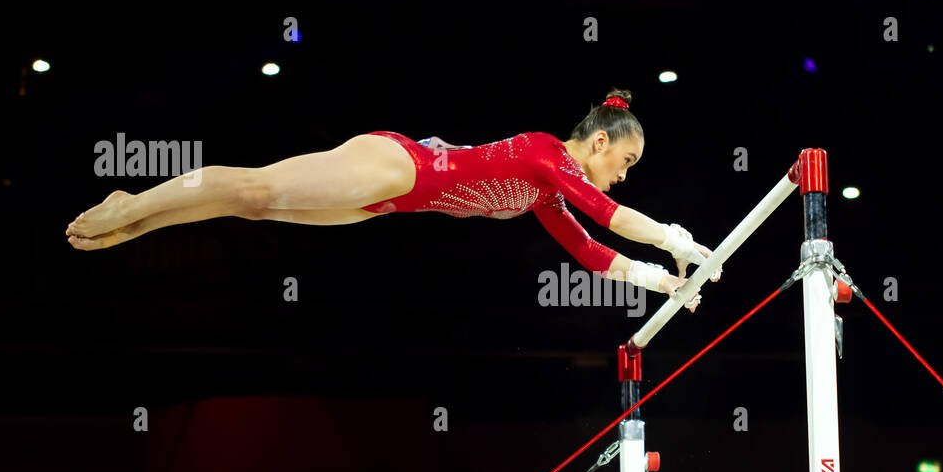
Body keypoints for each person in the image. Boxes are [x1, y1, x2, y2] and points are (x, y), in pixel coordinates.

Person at [65, 89, 722, 309]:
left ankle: (144, 219)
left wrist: (657, 281)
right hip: (398, 165)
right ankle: (133, 200)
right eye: (626, 161)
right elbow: (608, 216)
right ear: (600, 140)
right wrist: (673, 239)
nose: (624, 175)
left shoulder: (547, 191)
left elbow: (584, 247)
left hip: (384, 203)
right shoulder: (547, 152)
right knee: (258, 184)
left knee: (256, 207)